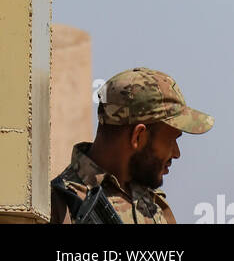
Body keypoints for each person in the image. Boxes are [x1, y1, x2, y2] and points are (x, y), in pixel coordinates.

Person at [50, 67, 214, 224]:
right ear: (138, 136)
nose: (177, 153)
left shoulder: (154, 203)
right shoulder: (59, 204)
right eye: (171, 140)